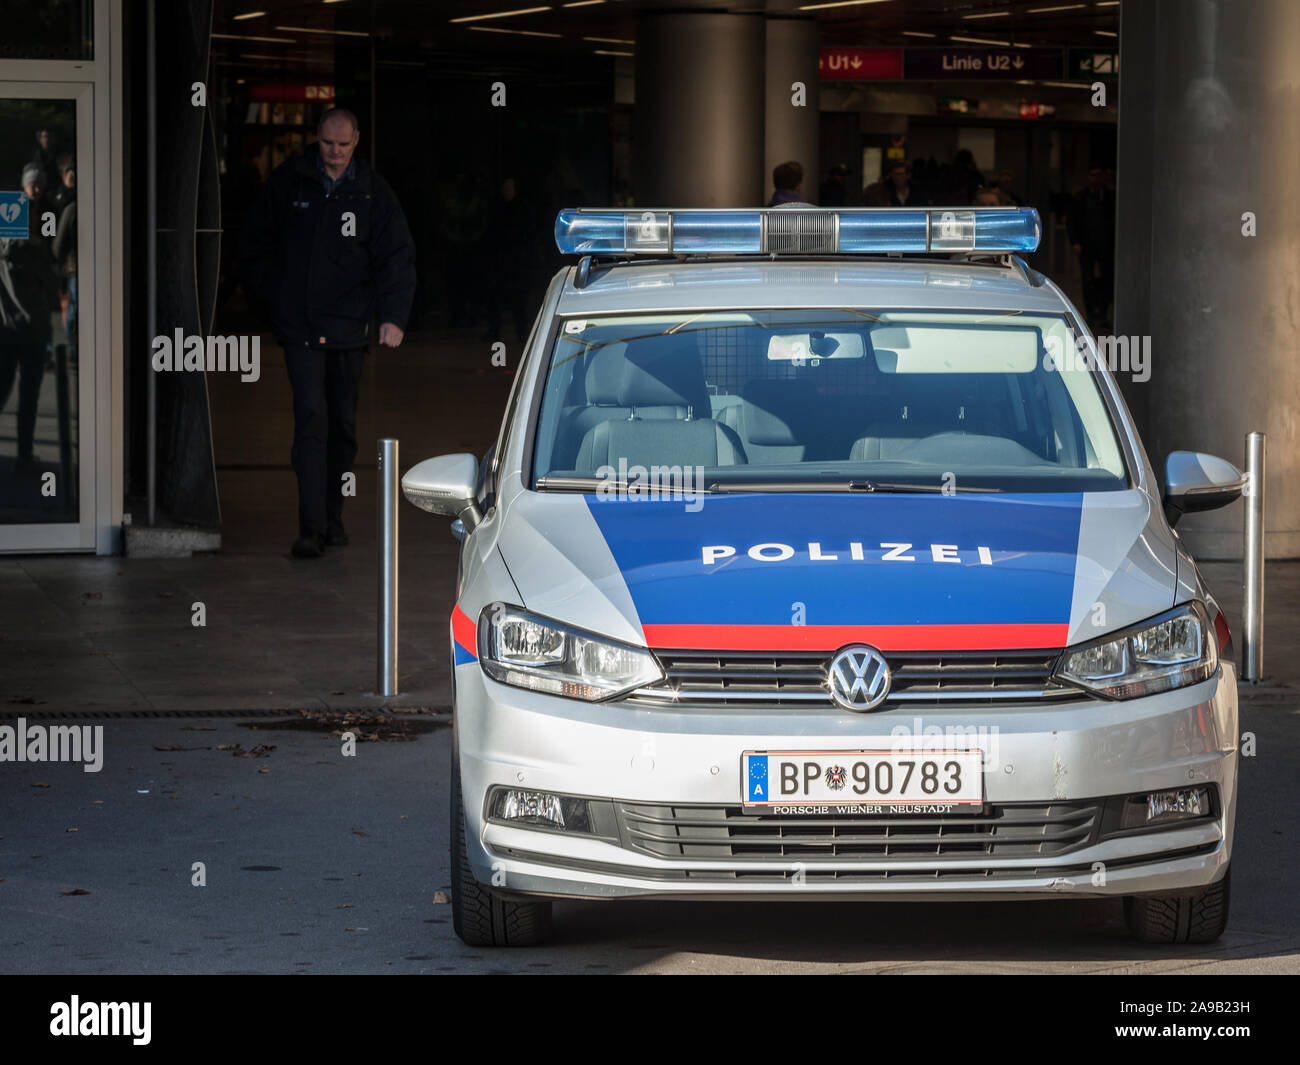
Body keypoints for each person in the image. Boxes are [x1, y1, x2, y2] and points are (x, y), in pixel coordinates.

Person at [240, 107, 416, 559]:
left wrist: (392, 316)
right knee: (311, 422)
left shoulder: (373, 192)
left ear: (357, 141)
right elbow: (256, 243)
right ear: (315, 139)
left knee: (342, 426)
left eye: (343, 144)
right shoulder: (289, 182)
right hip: (300, 326)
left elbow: (396, 256)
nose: (334, 152)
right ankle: (311, 528)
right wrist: (273, 301)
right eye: (326, 143)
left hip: (349, 329)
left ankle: (334, 517)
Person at [0, 164, 60, 476]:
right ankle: (24, 454)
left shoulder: (3, 251)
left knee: (2, 390)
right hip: (33, 332)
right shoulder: (36, 254)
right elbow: (52, 285)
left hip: (7, 329)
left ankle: (22, 454)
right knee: (28, 399)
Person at [1067, 165, 1116, 327]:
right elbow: (1072, 220)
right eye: (1093, 175)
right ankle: (1090, 314)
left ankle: (1102, 313)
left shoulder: (1110, 197)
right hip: (1086, 245)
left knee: (1106, 279)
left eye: (1099, 175)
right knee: (1087, 280)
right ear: (1089, 177)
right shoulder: (1080, 197)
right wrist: (1075, 242)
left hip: (1105, 246)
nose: (1096, 179)